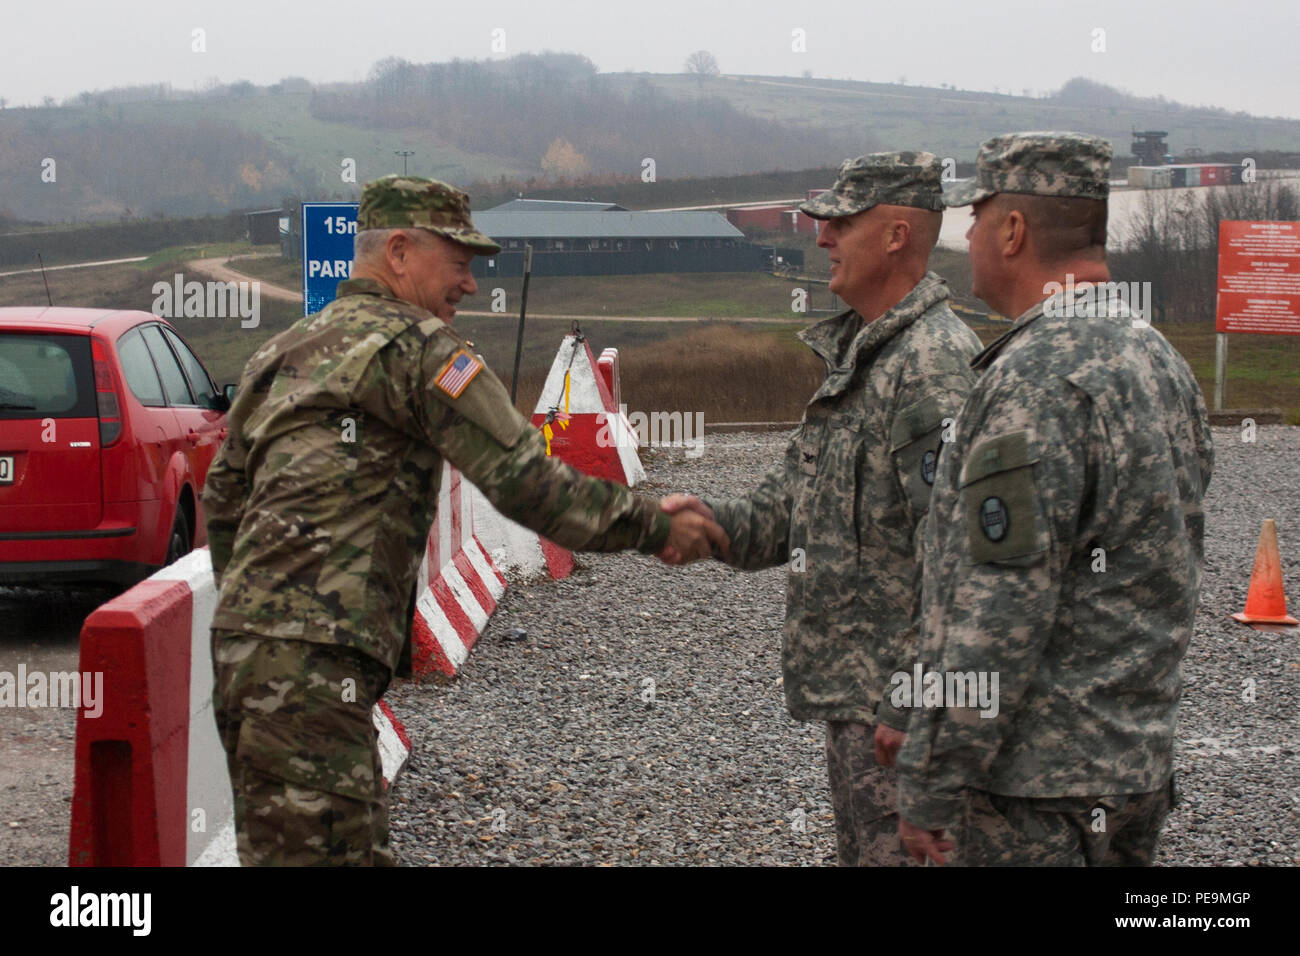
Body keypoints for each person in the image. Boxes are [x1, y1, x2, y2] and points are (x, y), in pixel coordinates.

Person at [202, 174, 728, 866]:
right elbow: (530, 484)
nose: (472, 286)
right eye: (458, 264)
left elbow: (223, 500)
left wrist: (262, 610)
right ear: (398, 251)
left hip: (243, 656)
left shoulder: (284, 352)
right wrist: (657, 526)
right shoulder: (421, 353)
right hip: (316, 666)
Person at [895, 132, 1214, 866]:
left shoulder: (1033, 379)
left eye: (976, 218)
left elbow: (1000, 610)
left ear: (1012, 231)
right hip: (1133, 770)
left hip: (1034, 797)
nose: (966, 236)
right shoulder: (1160, 359)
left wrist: (934, 783)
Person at [663, 152, 982, 865]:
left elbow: (965, 568)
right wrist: (703, 523)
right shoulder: (865, 359)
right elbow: (786, 512)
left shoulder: (932, 367)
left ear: (896, 235)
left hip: (903, 722)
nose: (821, 237)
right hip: (861, 713)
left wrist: (918, 707)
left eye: (840, 222)